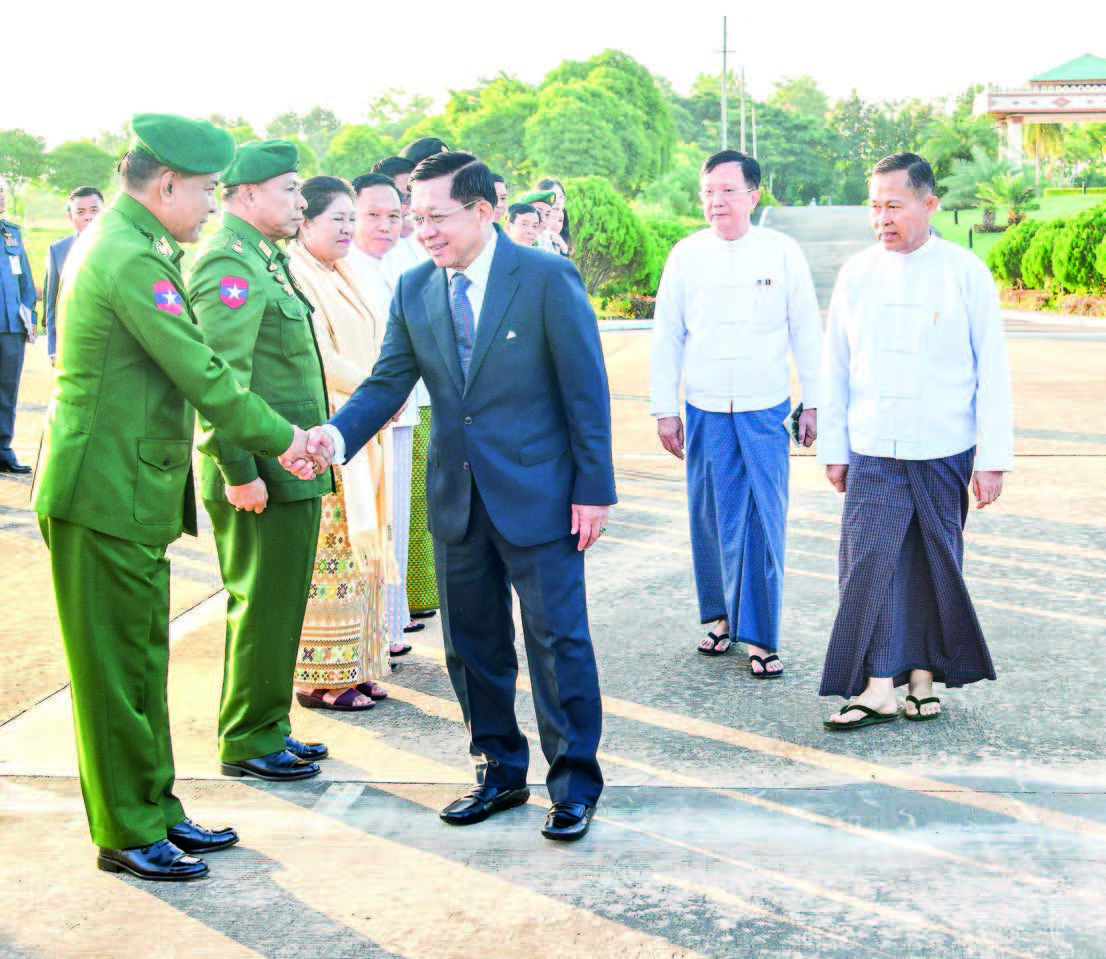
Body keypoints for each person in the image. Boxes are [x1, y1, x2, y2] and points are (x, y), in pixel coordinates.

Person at [293, 152, 616, 841]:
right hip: (458, 496)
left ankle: (574, 785)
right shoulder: (414, 288)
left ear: (483, 209)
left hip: (544, 495)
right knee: (471, 646)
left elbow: (586, 392)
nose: (426, 230)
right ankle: (498, 771)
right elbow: (386, 383)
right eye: (417, 218)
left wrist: (594, 489)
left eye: (438, 216)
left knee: (559, 642)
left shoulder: (547, 278)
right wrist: (333, 435)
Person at [33, 114, 320, 881]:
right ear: (165, 184)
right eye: (203, 191)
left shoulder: (142, 244)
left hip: (127, 486)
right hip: (100, 489)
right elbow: (203, 371)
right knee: (114, 673)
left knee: (141, 659)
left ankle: (156, 808)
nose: (209, 205)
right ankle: (127, 827)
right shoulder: (128, 254)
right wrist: (285, 437)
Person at [818, 152, 1013, 729]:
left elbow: (992, 371)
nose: (883, 217)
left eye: (894, 205)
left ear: (929, 205)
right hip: (873, 446)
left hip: (945, 447)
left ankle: (923, 679)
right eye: (875, 206)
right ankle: (877, 686)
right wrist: (835, 447)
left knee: (933, 563)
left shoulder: (964, 272)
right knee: (867, 565)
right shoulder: (856, 273)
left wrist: (993, 457)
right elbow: (835, 367)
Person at [187, 140, 333, 780]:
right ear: (245, 195)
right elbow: (218, 382)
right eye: (289, 189)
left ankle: (269, 724)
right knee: (260, 606)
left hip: (288, 471)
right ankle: (248, 739)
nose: (300, 201)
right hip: (260, 475)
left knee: (280, 609)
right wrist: (240, 472)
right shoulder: (229, 262)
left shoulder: (265, 258)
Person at [650, 150, 821, 677]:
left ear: (754, 195)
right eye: (708, 191)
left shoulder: (782, 251)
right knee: (709, 515)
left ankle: (762, 637)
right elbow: (668, 335)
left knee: (762, 519)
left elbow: (805, 329)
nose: (716, 201)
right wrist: (665, 409)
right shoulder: (686, 254)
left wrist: (814, 399)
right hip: (702, 407)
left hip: (764, 407)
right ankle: (720, 617)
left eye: (727, 190)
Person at [287, 176, 390, 711]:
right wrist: (379, 392)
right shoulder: (298, 276)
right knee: (334, 555)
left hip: (360, 423)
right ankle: (320, 677)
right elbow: (319, 356)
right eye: (338, 219)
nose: (349, 228)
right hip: (326, 429)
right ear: (305, 223)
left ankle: (360, 664)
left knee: (363, 549)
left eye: (354, 218)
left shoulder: (343, 270)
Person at [351, 170, 428, 652]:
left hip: (406, 412)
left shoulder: (401, 266)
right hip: (362, 418)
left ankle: (390, 627)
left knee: (396, 522)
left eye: (393, 216)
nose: (385, 225)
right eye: (371, 215)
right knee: (367, 526)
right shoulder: (342, 268)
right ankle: (370, 633)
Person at [0, 176, 37, 474]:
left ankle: (2, 450)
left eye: (0, 192)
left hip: (11, 326)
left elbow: (25, 281)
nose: (0, 197)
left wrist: (30, 318)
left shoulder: (12, 234)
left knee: (6, 391)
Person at [44, 186, 104, 364]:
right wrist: (53, 349)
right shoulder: (58, 250)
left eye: (94, 210)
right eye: (81, 212)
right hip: (72, 344)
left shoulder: (123, 247)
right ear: (71, 217)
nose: (88, 216)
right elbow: (52, 302)